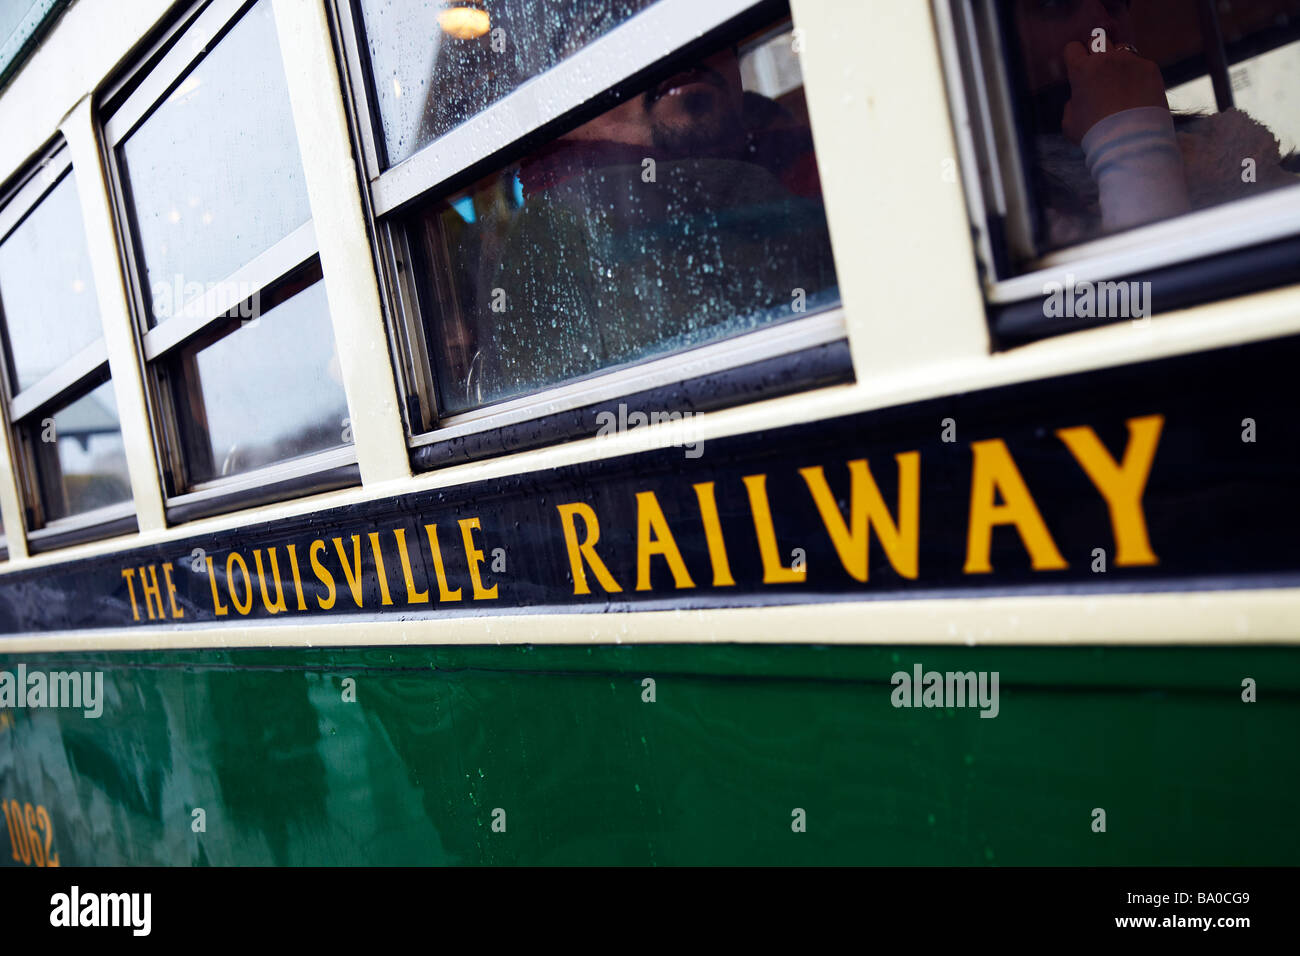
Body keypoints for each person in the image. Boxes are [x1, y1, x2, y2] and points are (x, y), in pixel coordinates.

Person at [473, 43, 837, 403]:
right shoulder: (551, 236)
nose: (678, 42)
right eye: (612, 30)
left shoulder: (826, 154)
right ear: (569, 104)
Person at [1013, 0, 1298, 247]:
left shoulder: (1224, 147)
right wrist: (1129, 136)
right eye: (1055, 3)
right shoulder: (1011, 215)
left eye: (1114, 2)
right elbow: (1139, 290)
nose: (1102, 24)